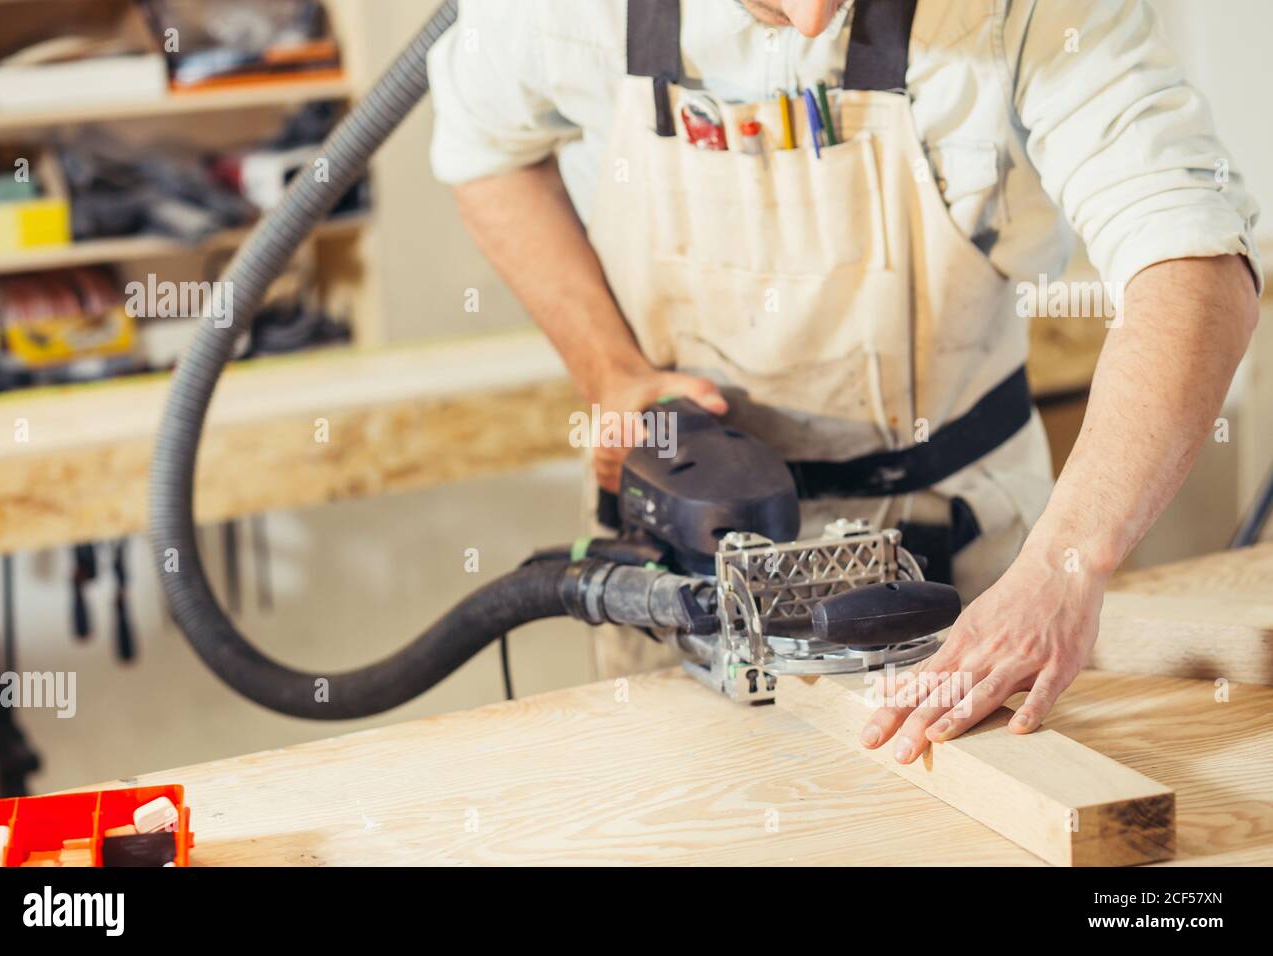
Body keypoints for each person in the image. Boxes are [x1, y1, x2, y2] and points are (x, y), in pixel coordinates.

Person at [427, 0, 1261, 763]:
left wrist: (1068, 564)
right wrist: (611, 370)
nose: (818, 13)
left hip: (963, 565)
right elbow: (483, 152)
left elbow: (1192, 261)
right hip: (675, 567)